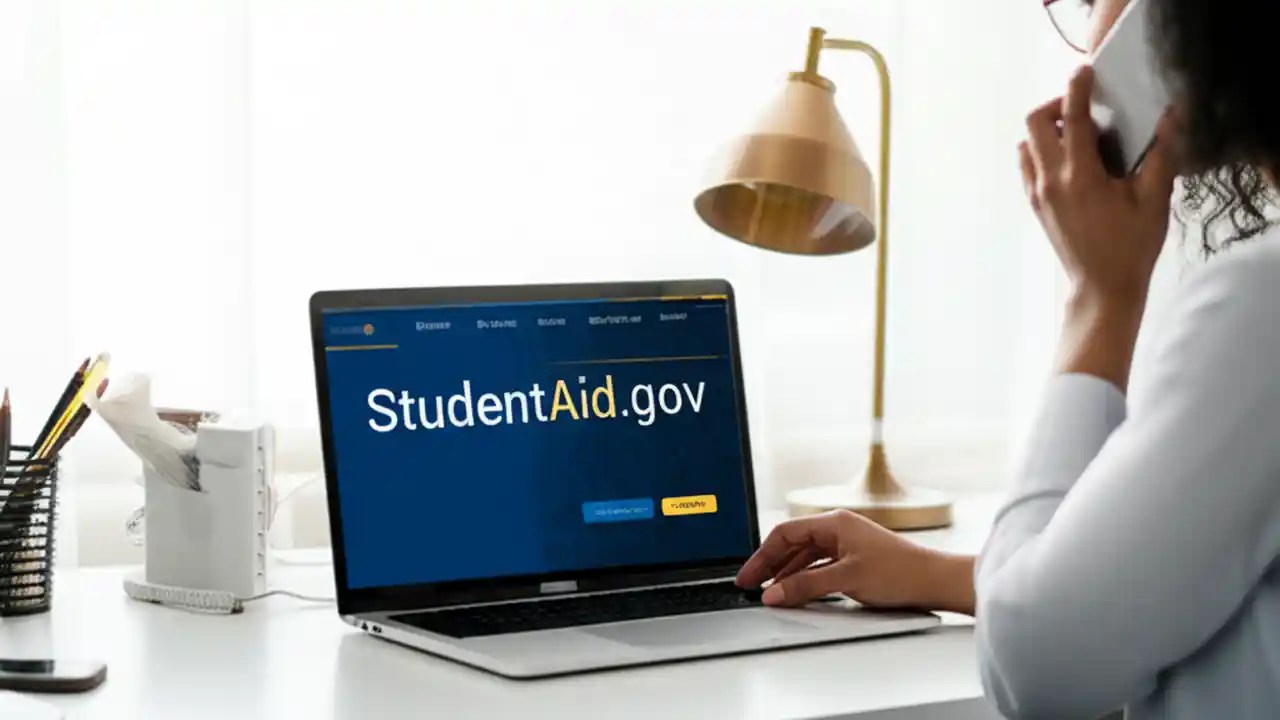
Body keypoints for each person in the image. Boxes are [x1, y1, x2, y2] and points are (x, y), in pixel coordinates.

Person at [736, 0, 1280, 717]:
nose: (1088, 46)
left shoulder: (1259, 304)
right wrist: (942, 574)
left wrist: (1100, 298)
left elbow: (1034, 670)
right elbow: (1184, 570)